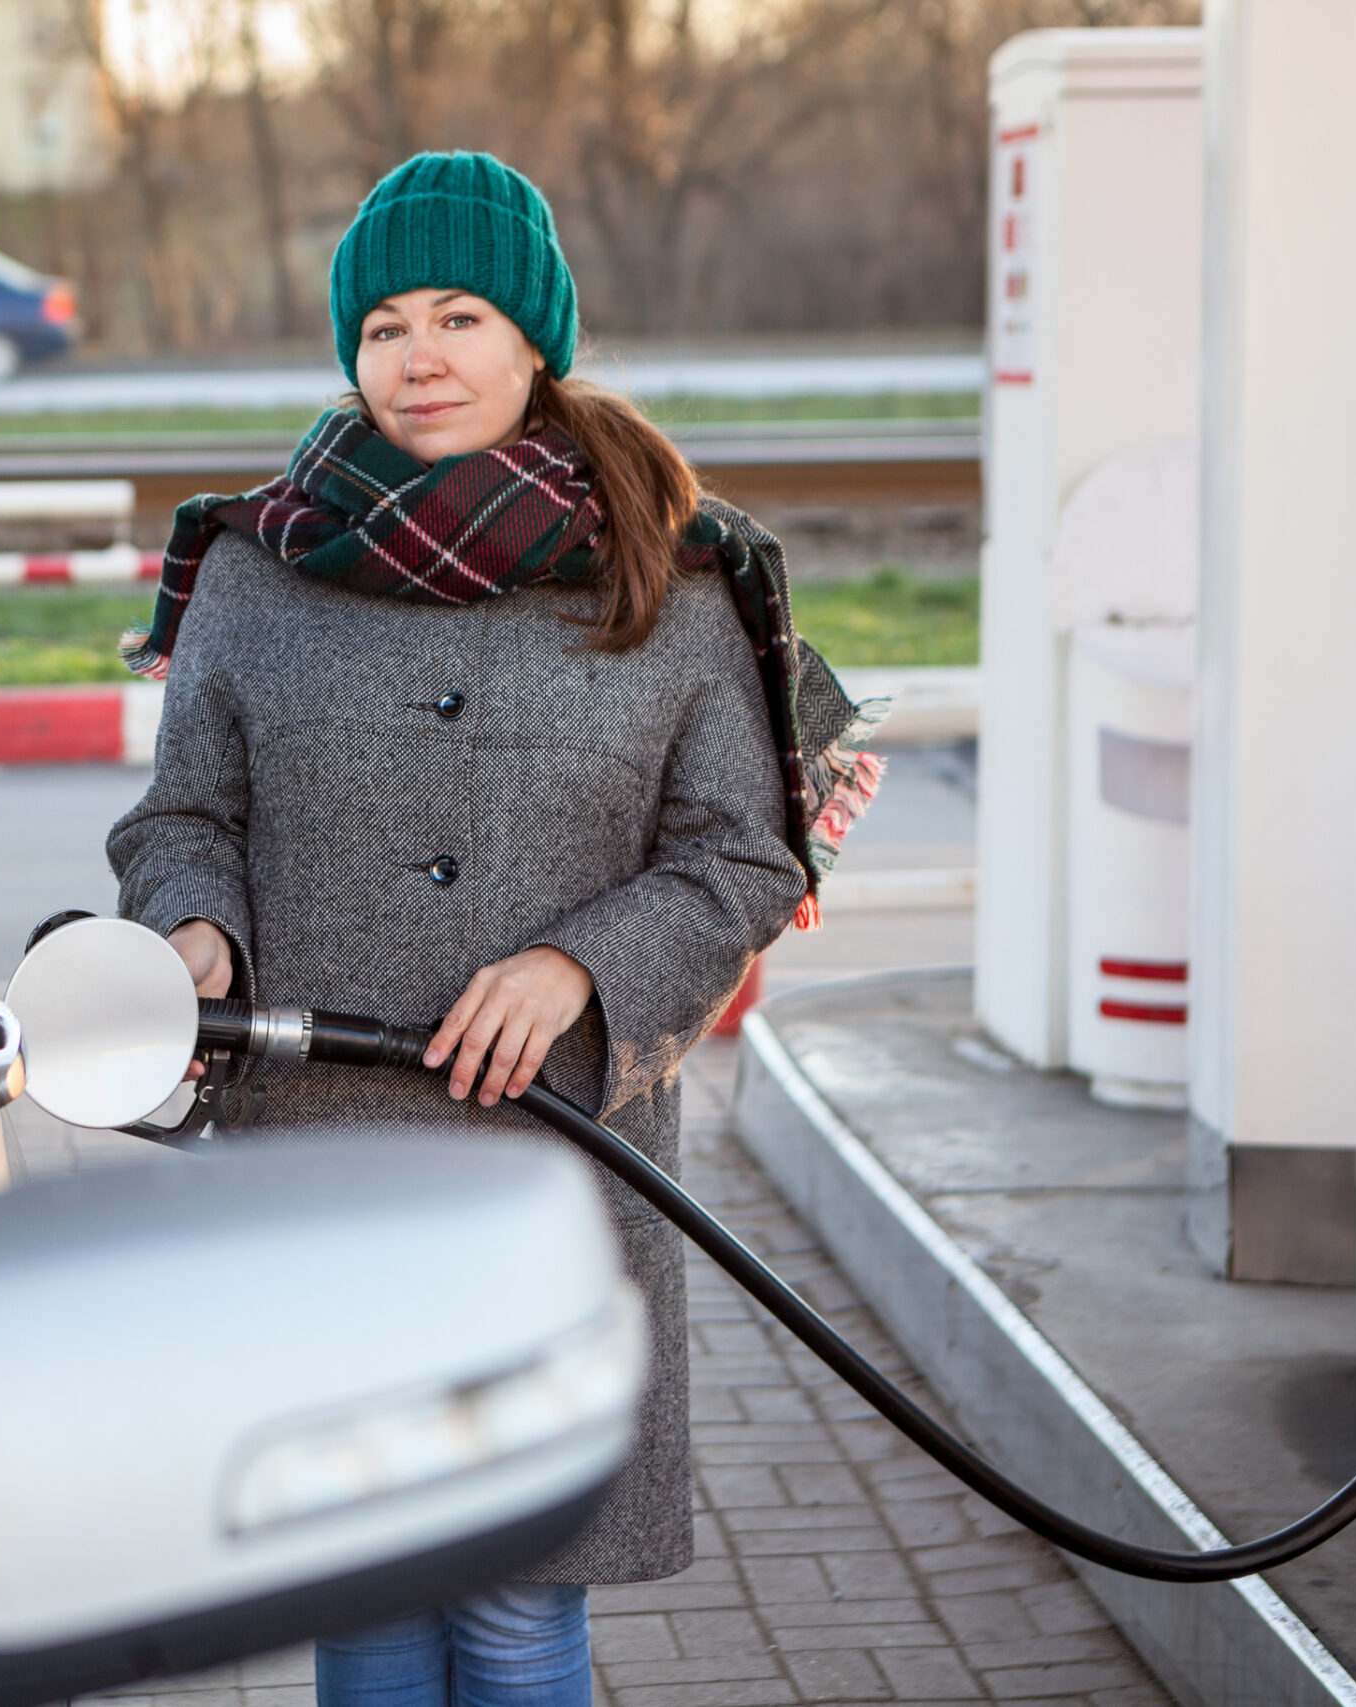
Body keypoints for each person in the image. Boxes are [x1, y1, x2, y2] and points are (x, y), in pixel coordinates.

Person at [106, 151, 881, 1707]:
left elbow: (740, 858)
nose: (423, 356)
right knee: (375, 1599)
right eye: (386, 324)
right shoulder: (256, 568)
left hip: (560, 1162)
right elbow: (180, 820)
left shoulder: (674, 571)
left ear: (535, 340)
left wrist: (582, 966)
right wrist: (194, 932)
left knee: (523, 1615)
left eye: (461, 314)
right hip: (320, 1162)